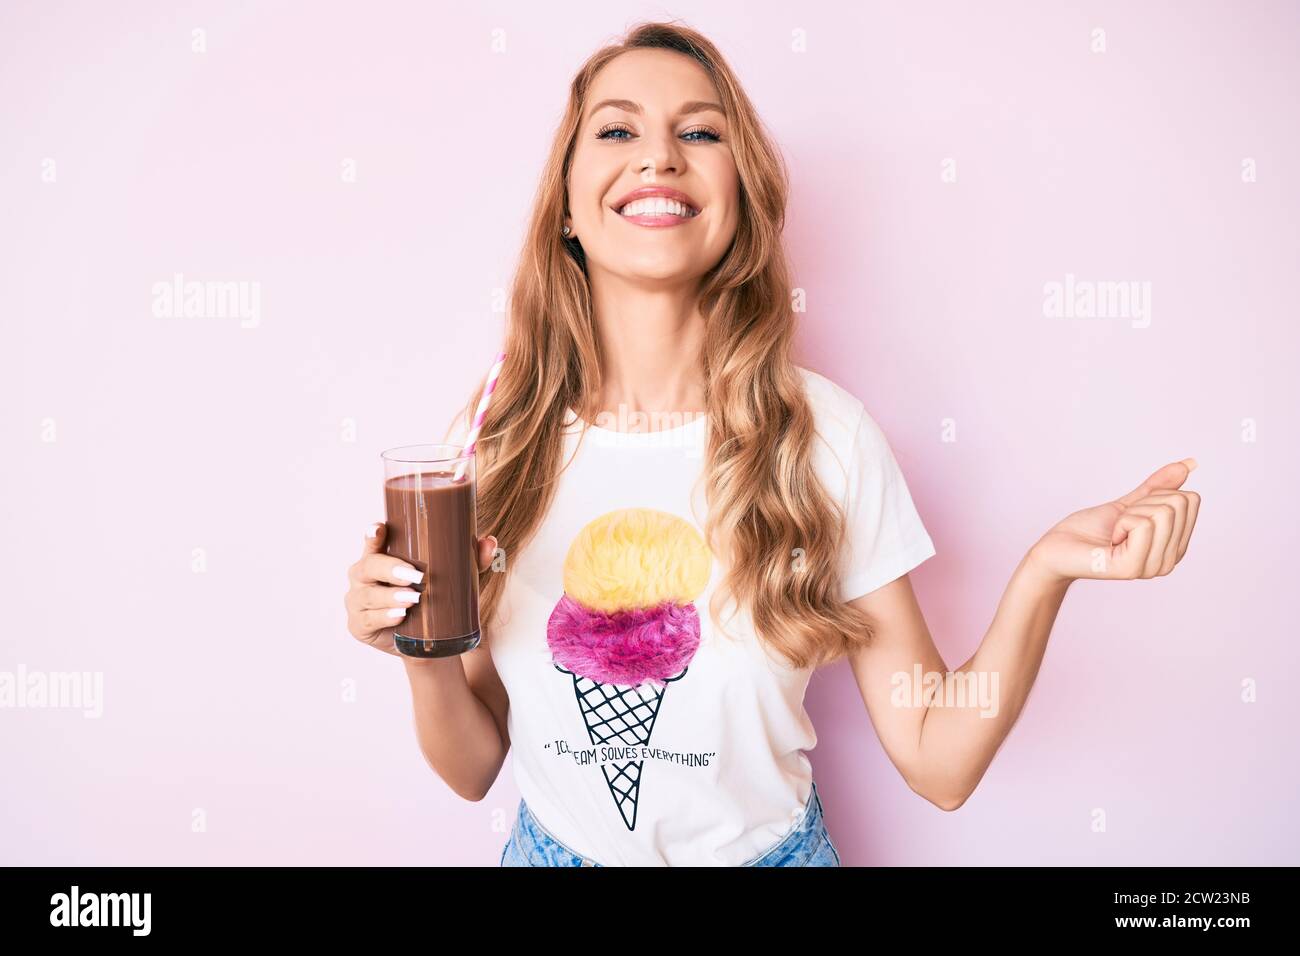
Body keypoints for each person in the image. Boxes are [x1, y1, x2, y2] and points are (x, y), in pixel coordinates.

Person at [343, 21, 1201, 867]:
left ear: (740, 200)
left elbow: (940, 764)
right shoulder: (498, 440)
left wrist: (1044, 570)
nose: (658, 155)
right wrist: (419, 651)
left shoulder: (824, 440)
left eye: (699, 131)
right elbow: (473, 766)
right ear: (566, 206)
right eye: (616, 129)